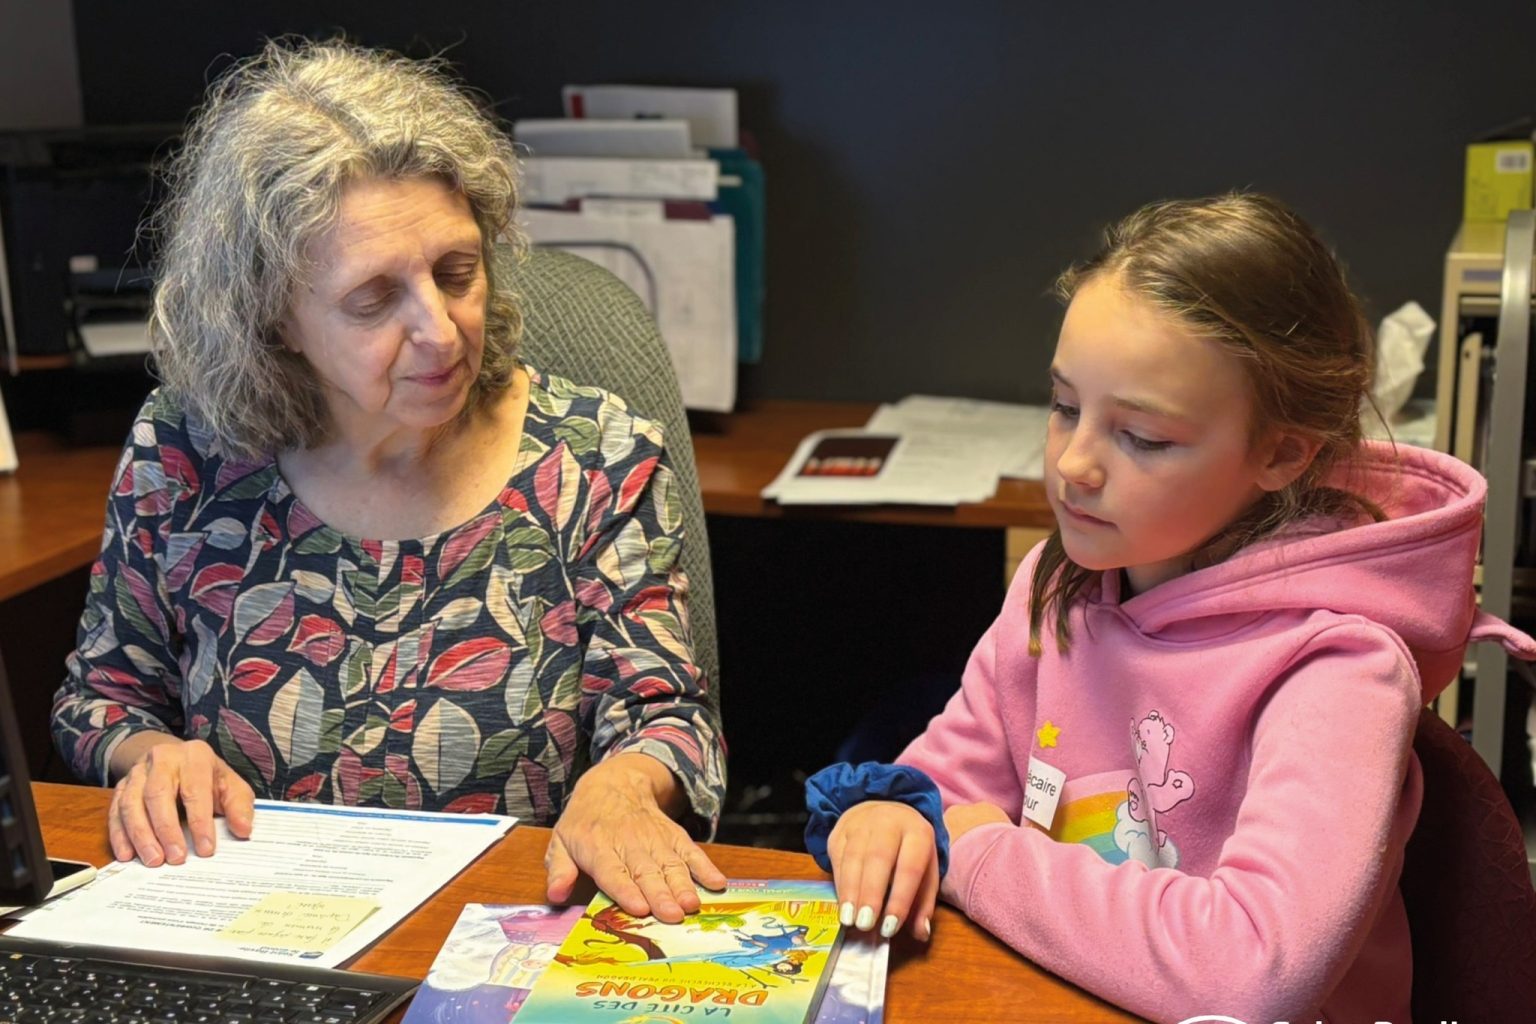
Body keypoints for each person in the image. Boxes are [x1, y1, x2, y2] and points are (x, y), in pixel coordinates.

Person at [803, 193, 1536, 1021]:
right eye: (1066, 406)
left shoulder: (1339, 669)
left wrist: (973, 850)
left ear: (1280, 453)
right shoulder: (1060, 581)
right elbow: (937, 787)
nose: (1074, 463)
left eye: (1142, 438)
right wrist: (887, 815)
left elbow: (1253, 972)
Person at [50, 39, 727, 924]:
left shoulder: (593, 454)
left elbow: (665, 714)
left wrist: (628, 786)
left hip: (500, 936)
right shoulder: (185, 451)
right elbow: (101, 695)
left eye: (458, 273)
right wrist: (148, 754)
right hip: (260, 931)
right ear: (274, 317)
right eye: (373, 301)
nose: (441, 332)